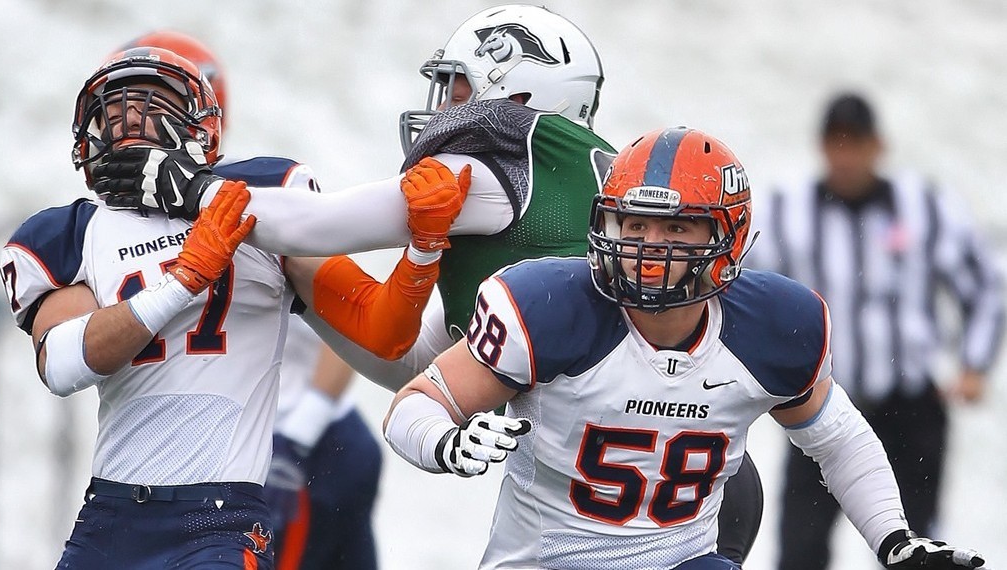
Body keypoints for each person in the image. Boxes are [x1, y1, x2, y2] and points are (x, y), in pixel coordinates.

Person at [91, 6, 764, 563]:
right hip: (660, 481)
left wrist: (191, 190)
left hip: (653, 499)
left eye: (461, 86)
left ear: (520, 97)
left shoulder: (507, 161)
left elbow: (321, 225)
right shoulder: (544, 208)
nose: (445, 105)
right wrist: (310, 292)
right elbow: (415, 362)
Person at [382, 126, 990, 570]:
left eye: (676, 228)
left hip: (683, 561)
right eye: (635, 225)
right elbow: (416, 402)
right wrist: (446, 440)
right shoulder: (549, 308)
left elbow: (838, 440)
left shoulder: (771, 327)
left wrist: (895, 540)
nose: (648, 246)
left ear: (727, 237)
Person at [0, 47, 465, 568]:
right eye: (110, 114)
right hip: (108, 517)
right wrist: (184, 281)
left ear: (204, 126)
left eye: (153, 106)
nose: (128, 123)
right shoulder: (72, 234)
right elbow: (63, 364)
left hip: (217, 518)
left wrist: (422, 250)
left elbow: (384, 335)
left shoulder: (261, 202)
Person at [121, 30, 383, 570]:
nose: (130, 123)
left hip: (301, 448)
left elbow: (349, 319)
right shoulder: (107, 224)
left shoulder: (252, 196)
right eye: (120, 106)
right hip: (229, 458)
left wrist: (298, 434)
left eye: (148, 103)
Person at [748, 92, 1004, 570]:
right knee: (800, 551)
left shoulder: (925, 206)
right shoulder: (786, 212)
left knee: (915, 547)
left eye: (856, 144)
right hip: (820, 409)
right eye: (836, 143)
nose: (845, 157)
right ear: (821, 147)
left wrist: (974, 363)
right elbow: (741, 294)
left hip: (909, 410)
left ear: (878, 146)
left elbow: (983, 282)